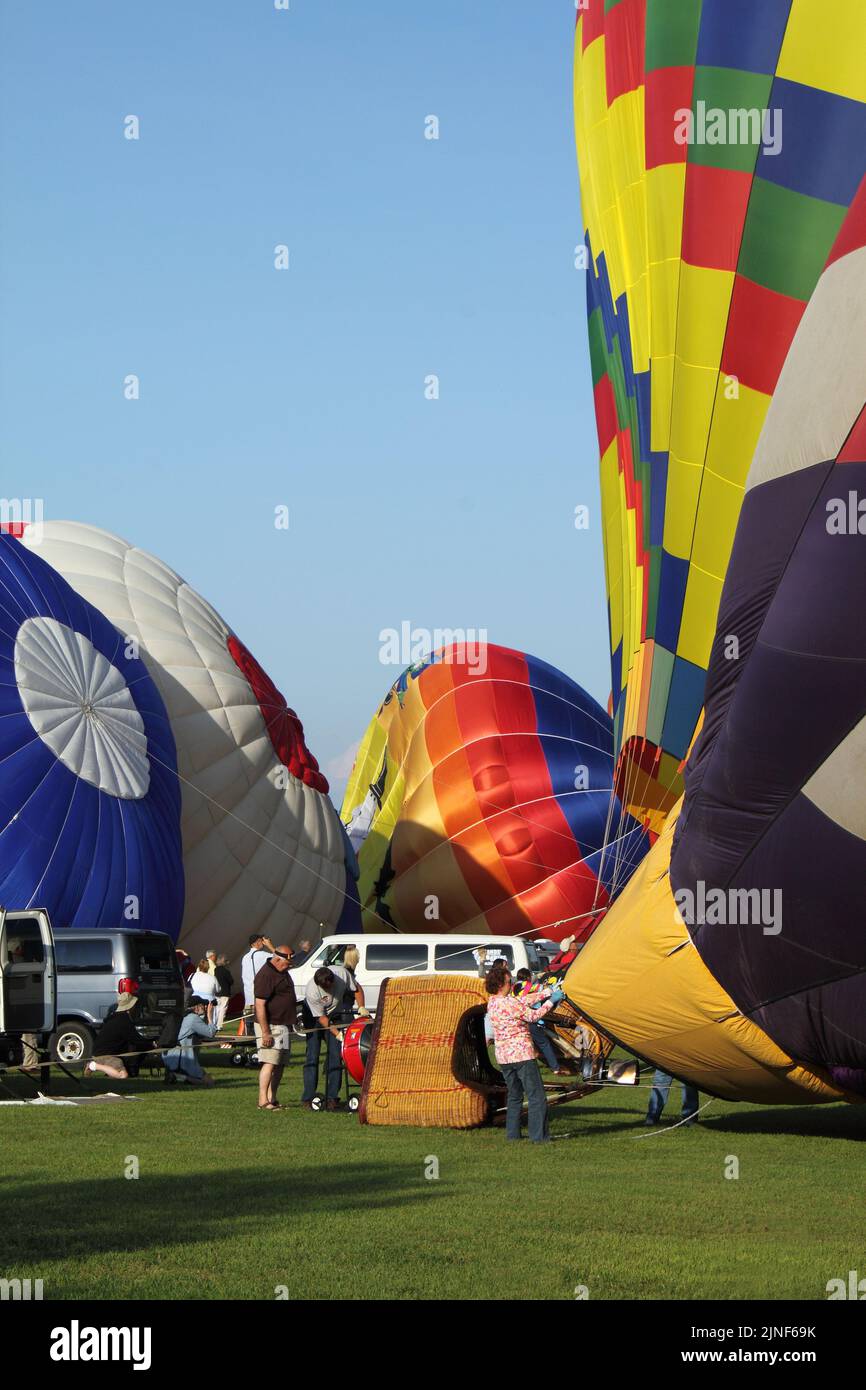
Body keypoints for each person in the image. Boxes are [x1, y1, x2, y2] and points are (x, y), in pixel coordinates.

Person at [485, 962, 559, 1143]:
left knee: (515, 1096)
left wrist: (546, 992)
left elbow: (522, 1001)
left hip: (504, 1057)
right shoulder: (509, 1003)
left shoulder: (492, 1003)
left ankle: (513, 1136)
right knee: (536, 1096)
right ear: (501, 985)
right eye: (509, 982)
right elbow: (532, 1016)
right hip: (522, 1055)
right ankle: (539, 1137)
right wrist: (551, 1001)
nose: (512, 985)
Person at [301, 965, 355, 1110]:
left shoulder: (342, 974)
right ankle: (308, 1098)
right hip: (314, 1017)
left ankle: (332, 1098)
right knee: (312, 1056)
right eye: (323, 988)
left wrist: (361, 1007)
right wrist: (338, 1035)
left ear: (332, 981)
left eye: (328, 987)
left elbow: (357, 989)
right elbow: (322, 1019)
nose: (327, 991)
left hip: (334, 1016)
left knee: (335, 1057)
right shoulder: (312, 990)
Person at [253, 946, 297, 1111]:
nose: (289, 966)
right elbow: (260, 1004)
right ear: (278, 959)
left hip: (284, 1023)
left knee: (280, 1063)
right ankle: (262, 1100)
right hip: (271, 1025)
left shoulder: (282, 972)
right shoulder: (266, 975)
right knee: (270, 1061)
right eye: (287, 963)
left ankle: (272, 1097)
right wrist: (266, 1032)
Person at [86, 992, 154, 1080]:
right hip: (106, 1056)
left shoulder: (115, 1018)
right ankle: (93, 1066)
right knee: (122, 1075)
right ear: (131, 1007)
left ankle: (105, 1069)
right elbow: (136, 1039)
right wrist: (152, 1044)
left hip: (104, 1053)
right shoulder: (123, 1021)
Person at [513, 969, 563, 1074]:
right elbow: (544, 989)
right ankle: (556, 1068)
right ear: (527, 977)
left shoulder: (513, 987)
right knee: (544, 1044)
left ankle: (519, 1068)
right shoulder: (528, 985)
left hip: (518, 1020)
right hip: (531, 1018)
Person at [163, 996, 218, 1086]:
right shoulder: (193, 1019)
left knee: (206, 1080)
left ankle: (177, 1076)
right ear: (196, 1007)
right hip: (184, 1060)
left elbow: (200, 1033)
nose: (205, 1007)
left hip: (173, 1058)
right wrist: (210, 1016)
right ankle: (179, 1077)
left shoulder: (184, 1015)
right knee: (210, 1082)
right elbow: (210, 1033)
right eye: (203, 1005)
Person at [241, 933, 275, 1035]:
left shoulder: (245, 957)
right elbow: (281, 957)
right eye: (261, 941)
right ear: (256, 943)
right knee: (261, 1026)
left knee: (250, 1029)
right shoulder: (261, 955)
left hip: (248, 996)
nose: (263, 943)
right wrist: (270, 945)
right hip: (259, 996)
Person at [189, 957, 218, 1022]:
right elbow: (218, 989)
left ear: (199, 967)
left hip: (195, 1002)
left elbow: (188, 986)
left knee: (196, 1021)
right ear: (208, 968)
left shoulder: (193, 975)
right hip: (209, 1002)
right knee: (210, 1021)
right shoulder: (213, 978)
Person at [213, 954, 233, 1032]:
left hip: (217, 992)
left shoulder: (216, 970)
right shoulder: (226, 971)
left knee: (217, 1009)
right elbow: (231, 981)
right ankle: (219, 1025)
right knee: (223, 1009)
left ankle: (215, 1024)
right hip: (225, 992)